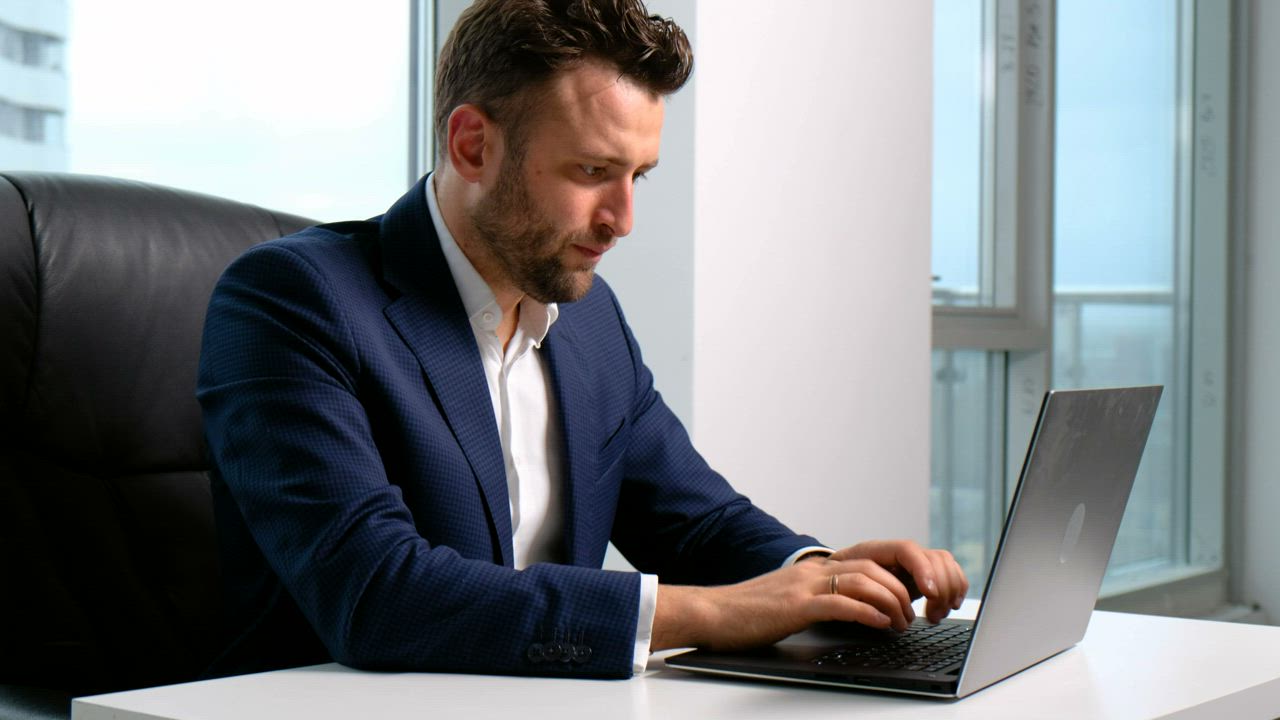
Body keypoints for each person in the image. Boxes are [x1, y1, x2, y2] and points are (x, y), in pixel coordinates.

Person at [196, 0, 967, 680]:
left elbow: (695, 521)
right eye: (593, 170)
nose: (622, 219)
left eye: (639, 176)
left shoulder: (590, 321)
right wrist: (719, 614)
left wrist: (829, 576)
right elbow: (378, 594)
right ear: (473, 145)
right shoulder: (293, 302)